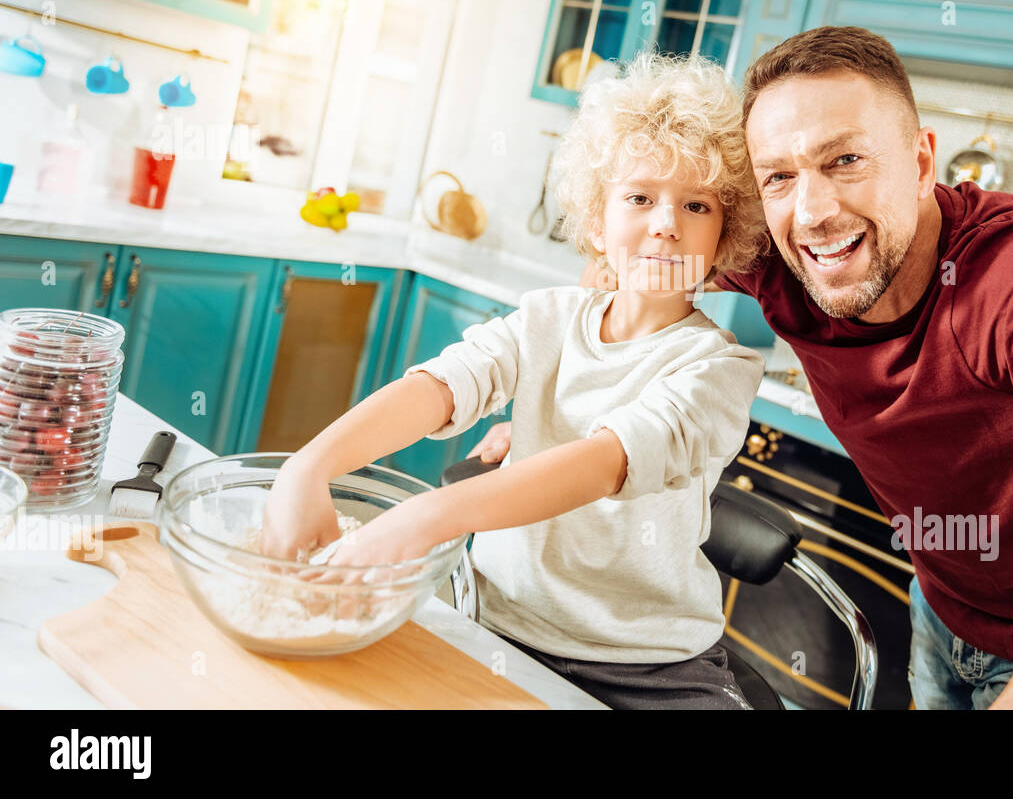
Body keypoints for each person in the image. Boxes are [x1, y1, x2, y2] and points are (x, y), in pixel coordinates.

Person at [470, 26, 1013, 709]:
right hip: (940, 611)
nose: (812, 210)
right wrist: (553, 404)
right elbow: (621, 273)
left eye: (845, 160)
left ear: (922, 162)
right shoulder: (784, 255)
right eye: (778, 175)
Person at [259, 51, 770, 709]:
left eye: (696, 204)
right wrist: (307, 467)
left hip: (647, 670)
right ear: (596, 218)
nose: (666, 223)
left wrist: (420, 520)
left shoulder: (719, 370)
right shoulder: (546, 318)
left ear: (724, 232)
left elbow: (605, 463)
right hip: (488, 622)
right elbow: (445, 385)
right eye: (639, 196)